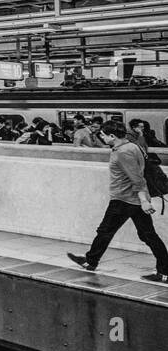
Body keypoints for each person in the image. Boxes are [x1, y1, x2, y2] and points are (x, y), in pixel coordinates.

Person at [67, 121, 168, 283]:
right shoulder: (132, 146)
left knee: (106, 231)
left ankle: (90, 261)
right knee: (147, 235)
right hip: (131, 199)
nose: (102, 137)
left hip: (124, 200)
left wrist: (144, 200)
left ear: (112, 136)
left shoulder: (123, 153)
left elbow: (137, 179)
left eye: (103, 135)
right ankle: (164, 271)